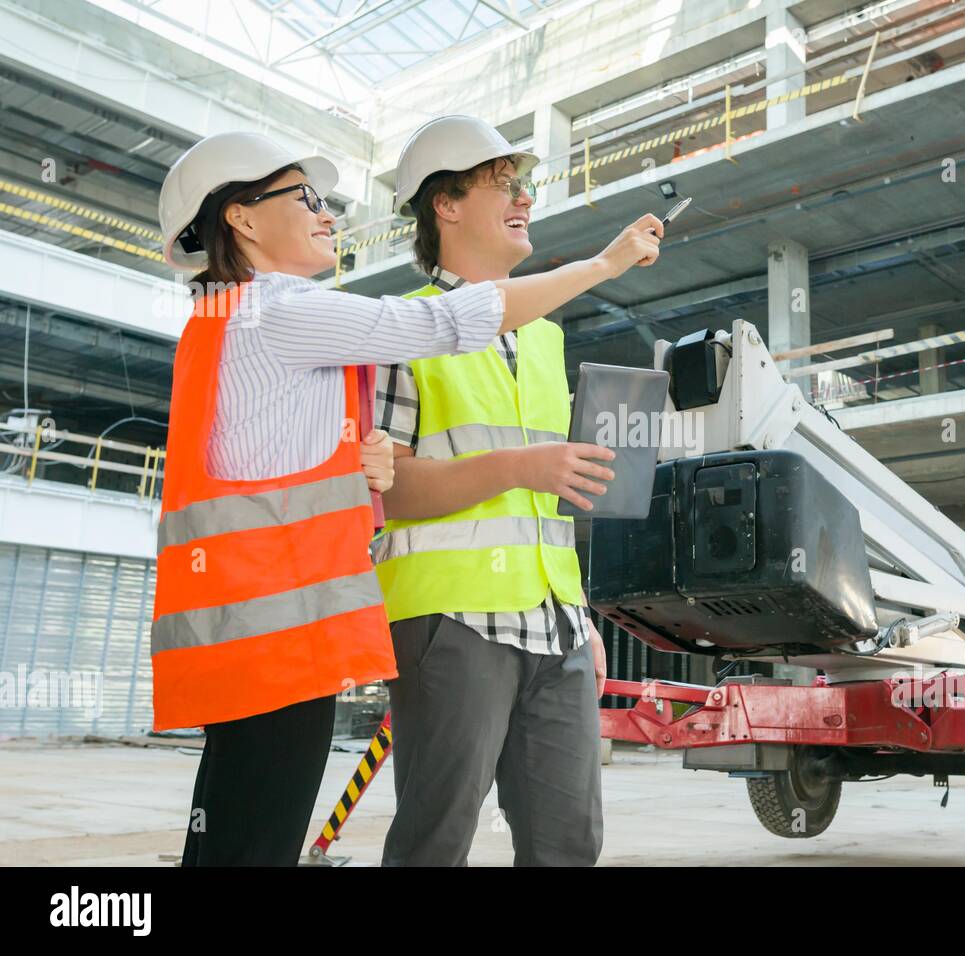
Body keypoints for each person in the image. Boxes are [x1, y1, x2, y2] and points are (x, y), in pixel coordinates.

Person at [151, 130, 661, 866]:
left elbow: (269, 465)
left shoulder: (232, 321)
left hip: (275, 635)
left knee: (244, 840)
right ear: (244, 218)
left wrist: (365, 461)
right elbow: (441, 324)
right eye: (306, 198)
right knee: (277, 842)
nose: (327, 215)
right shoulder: (280, 311)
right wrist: (608, 262)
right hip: (295, 633)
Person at [373, 116, 658, 866]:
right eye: (506, 184)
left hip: (554, 626)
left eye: (525, 185)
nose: (526, 197)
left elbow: (547, 503)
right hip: (451, 623)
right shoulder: (400, 329)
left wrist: (581, 615)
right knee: (436, 841)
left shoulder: (545, 337)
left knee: (569, 843)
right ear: (446, 203)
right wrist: (520, 469)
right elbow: (389, 486)